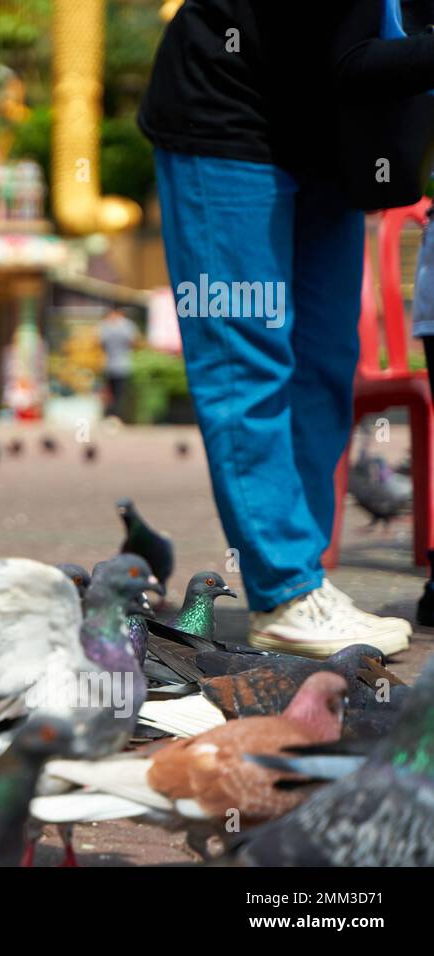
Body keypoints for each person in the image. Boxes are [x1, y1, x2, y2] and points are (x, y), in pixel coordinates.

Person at [139, 0, 432, 657]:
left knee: (324, 366)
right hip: (226, 119)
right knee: (246, 361)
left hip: (330, 144)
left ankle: (306, 588)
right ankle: (286, 588)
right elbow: (346, 57)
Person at [98, 308, 139, 421]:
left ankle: (111, 416)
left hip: (111, 364)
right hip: (121, 364)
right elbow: (134, 342)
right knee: (118, 394)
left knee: (112, 393)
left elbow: (100, 344)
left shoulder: (105, 325)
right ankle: (115, 417)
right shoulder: (127, 326)